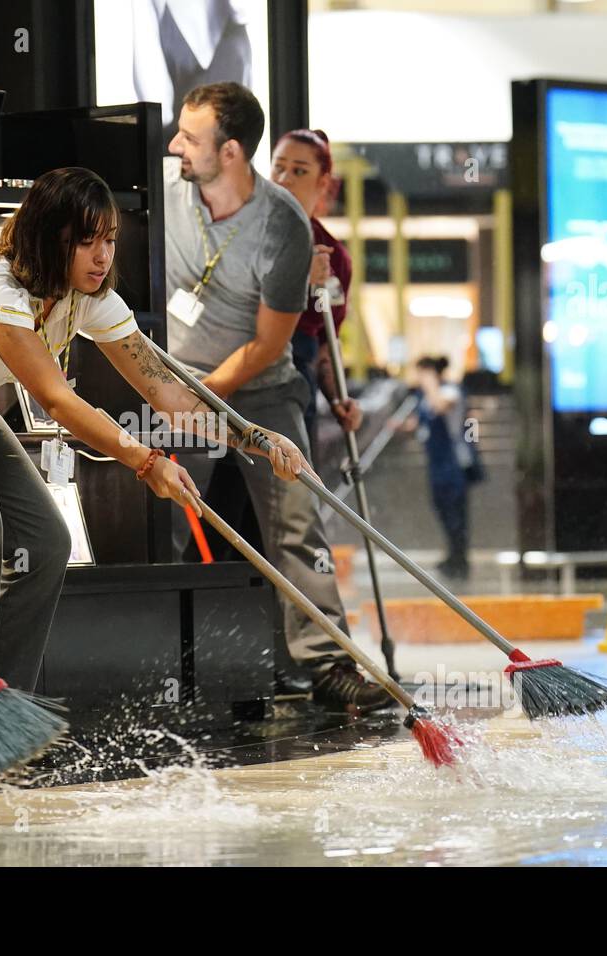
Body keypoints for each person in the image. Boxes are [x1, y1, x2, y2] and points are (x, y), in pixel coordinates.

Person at [0, 166, 309, 760]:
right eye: (85, 240)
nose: (102, 256)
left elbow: (167, 392)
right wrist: (146, 462)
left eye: (110, 239)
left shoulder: (89, 298)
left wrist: (256, 438)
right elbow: (56, 399)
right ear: (48, 237)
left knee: (44, 540)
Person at [165, 82, 394, 711]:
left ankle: (327, 664)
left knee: (298, 524)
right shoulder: (164, 194)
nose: (174, 145)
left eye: (190, 136)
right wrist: (169, 393)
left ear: (231, 151)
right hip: (173, 382)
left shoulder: (283, 225)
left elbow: (271, 343)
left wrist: (203, 398)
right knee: (159, 519)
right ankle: (158, 660)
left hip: (258, 393)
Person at [269, 128, 362, 450]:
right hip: (239, 376)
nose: (284, 178)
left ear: (322, 182)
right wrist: (297, 274)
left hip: (295, 384)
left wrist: (338, 399)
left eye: (299, 171)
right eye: (278, 166)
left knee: (292, 492)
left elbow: (326, 345)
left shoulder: (333, 256)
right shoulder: (244, 232)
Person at [404, 356, 472, 580]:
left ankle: (459, 558)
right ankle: (452, 553)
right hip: (436, 462)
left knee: (455, 513)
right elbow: (421, 423)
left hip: (453, 462)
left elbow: (441, 407)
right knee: (441, 508)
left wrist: (431, 384)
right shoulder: (423, 397)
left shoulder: (449, 391)